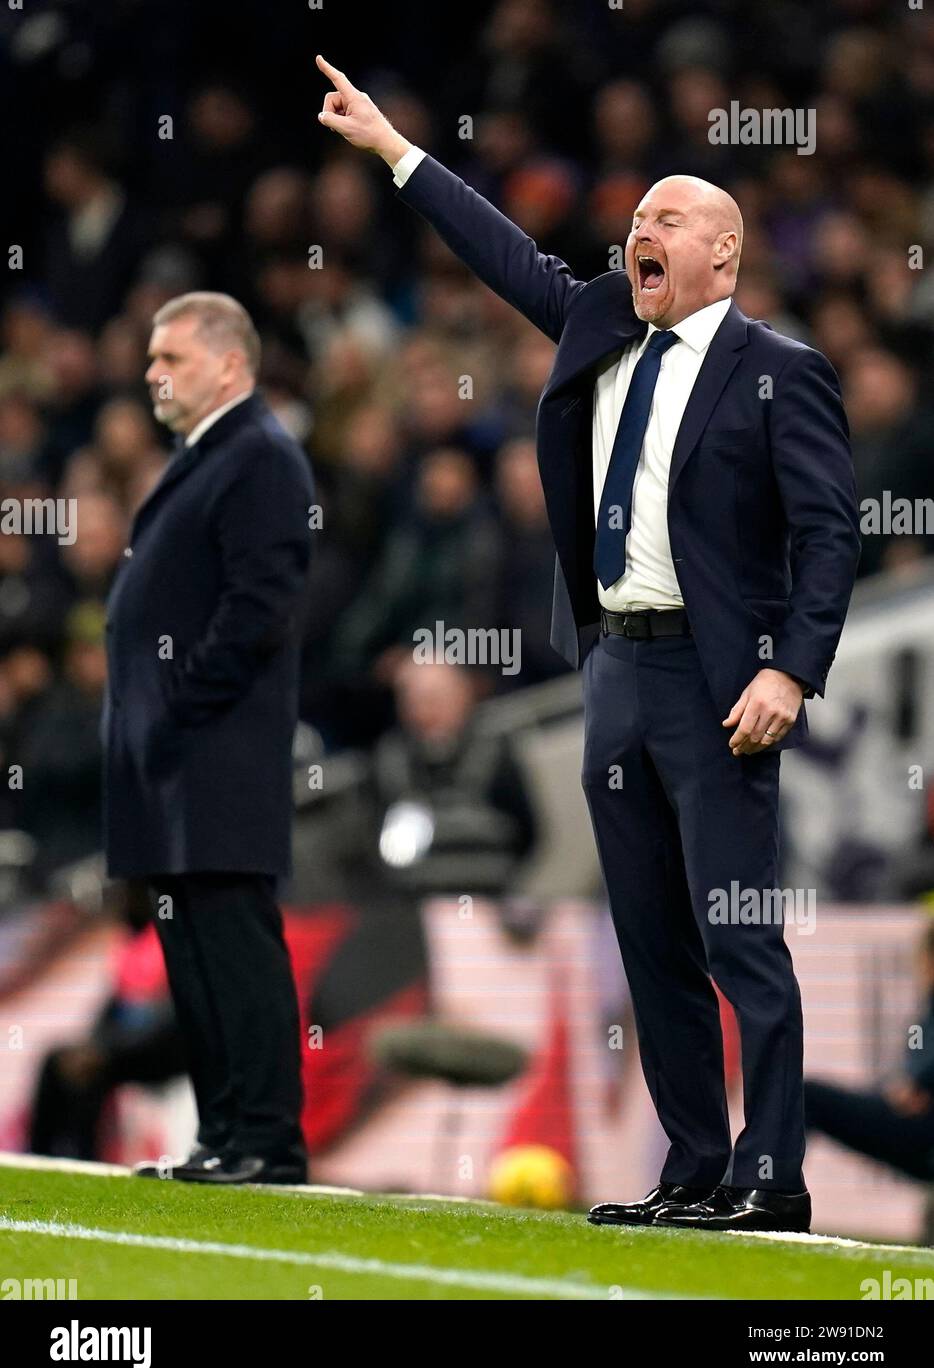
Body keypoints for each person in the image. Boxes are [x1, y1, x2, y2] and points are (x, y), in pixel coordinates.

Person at [316, 55, 861, 1232]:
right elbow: (501, 248)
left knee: (736, 932)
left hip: (721, 682)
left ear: (725, 253)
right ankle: (695, 1166)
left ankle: (773, 1175)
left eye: (666, 217)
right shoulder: (602, 324)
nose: (638, 232)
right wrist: (392, 150)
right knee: (650, 938)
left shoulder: (781, 372)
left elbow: (830, 535)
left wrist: (789, 666)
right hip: (616, 670)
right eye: (631, 221)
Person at [104, 291, 315, 1184]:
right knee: (189, 946)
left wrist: (179, 705)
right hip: (175, 756)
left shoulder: (260, 456)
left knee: (234, 940)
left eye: (172, 358)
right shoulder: (209, 456)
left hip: (217, 749)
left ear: (231, 364)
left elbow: (257, 610)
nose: (152, 373)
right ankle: (224, 1130)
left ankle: (266, 1136)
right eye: (151, 358)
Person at [805, 921, 934, 1183]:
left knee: (805, 1096)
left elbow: (910, 1090)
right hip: (911, 1118)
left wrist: (918, 1084)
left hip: (919, 1124)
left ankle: (767, 1188)